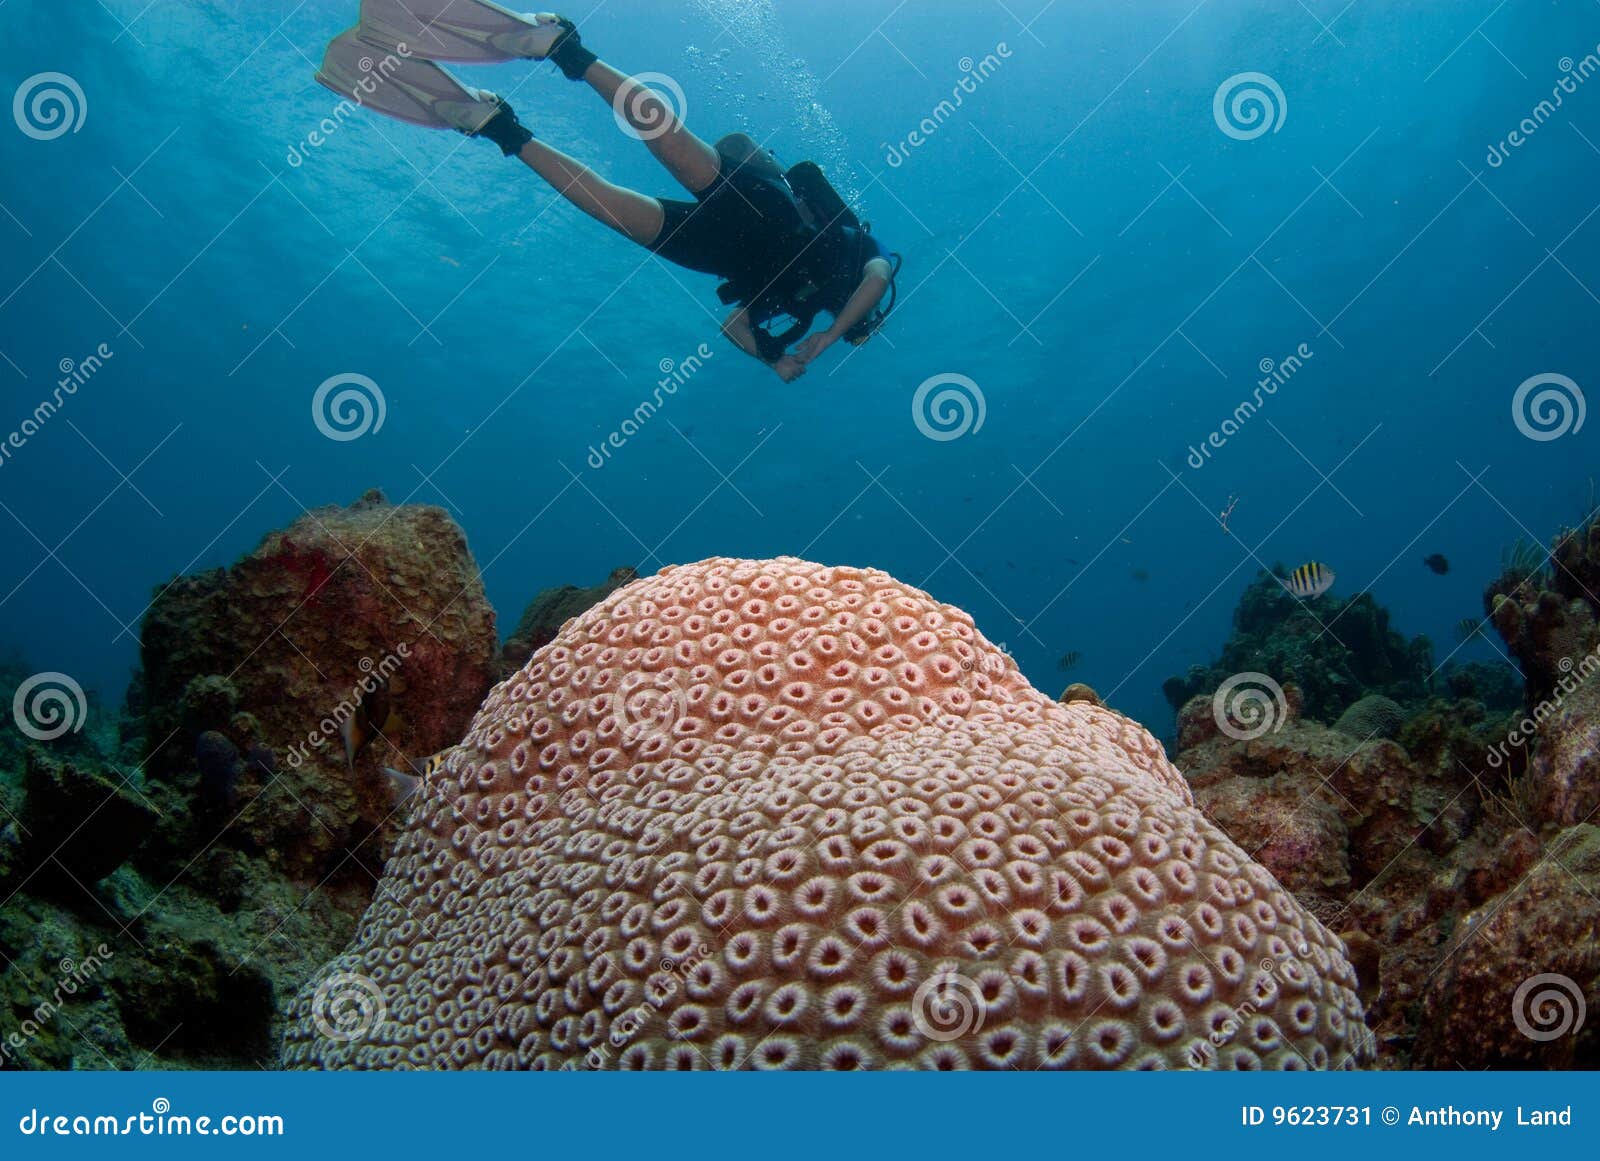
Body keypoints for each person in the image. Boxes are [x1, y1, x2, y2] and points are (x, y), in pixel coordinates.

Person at [317, 5, 899, 381]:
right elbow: (876, 281)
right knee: (665, 138)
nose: (851, 325)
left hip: (718, 251)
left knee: (606, 203)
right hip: (768, 213)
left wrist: (774, 356)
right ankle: (561, 51)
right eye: (859, 326)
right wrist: (818, 345)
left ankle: (501, 128)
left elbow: (732, 327)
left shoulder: (797, 308)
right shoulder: (860, 251)